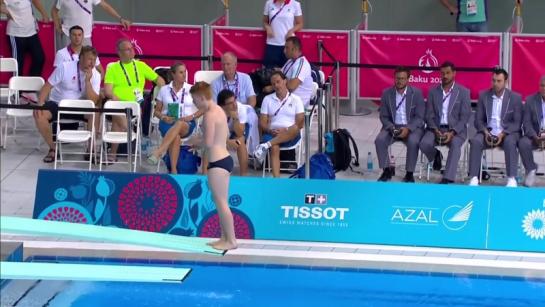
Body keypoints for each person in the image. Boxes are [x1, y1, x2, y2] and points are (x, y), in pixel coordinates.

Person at [33, 46, 101, 163]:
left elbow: (93, 100)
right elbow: (47, 86)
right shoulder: (65, 67)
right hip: (58, 104)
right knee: (39, 114)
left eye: (94, 60)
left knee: (95, 112)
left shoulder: (95, 74)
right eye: (90, 59)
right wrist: (40, 103)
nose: (92, 63)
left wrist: (87, 82)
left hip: (81, 106)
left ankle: (91, 150)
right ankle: (53, 148)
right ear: (81, 58)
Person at [192, 82, 237, 251]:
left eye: (195, 100)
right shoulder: (219, 110)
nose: (195, 104)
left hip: (217, 162)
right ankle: (224, 237)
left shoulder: (210, 115)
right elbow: (222, 136)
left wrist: (195, 142)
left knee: (221, 203)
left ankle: (231, 240)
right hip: (224, 159)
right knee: (220, 201)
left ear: (202, 98)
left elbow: (209, 142)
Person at [103, 38, 165, 162]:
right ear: (119, 53)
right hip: (117, 103)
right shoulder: (113, 68)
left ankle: (113, 153)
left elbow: (160, 81)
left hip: (136, 105)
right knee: (117, 111)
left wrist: (160, 95)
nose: (132, 51)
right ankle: (132, 132)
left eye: (132, 48)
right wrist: (119, 101)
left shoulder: (141, 66)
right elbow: (108, 91)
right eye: (127, 49)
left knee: (117, 121)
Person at [468, 68, 523, 187]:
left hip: (507, 133)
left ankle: (511, 177)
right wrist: (485, 131)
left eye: (499, 81)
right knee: (476, 141)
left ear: (506, 81)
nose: (496, 84)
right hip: (488, 132)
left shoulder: (515, 98)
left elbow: (517, 123)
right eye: (493, 80)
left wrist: (503, 134)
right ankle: (473, 177)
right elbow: (478, 120)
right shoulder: (484, 95)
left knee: (510, 142)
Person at [419, 62, 471, 184]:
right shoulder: (433, 92)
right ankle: (436, 154)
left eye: (448, 73)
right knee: (423, 143)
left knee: (455, 146)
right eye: (442, 73)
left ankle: (447, 178)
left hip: (455, 130)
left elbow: (465, 117)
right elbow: (429, 115)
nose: (445, 76)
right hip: (436, 128)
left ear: (454, 74)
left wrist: (452, 132)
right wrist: (435, 130)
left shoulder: (463, 92)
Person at [146, 63, 202, 174]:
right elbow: (156, 111)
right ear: (173, 74)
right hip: (167, 122)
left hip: (187, 123)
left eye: (185, 72)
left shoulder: (191, 89)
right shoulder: (164, 90)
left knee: (180, 123)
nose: (184, 75)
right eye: (181, 72)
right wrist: (163, 116)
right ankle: (174, 170)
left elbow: (204, 108)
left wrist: (192, 116)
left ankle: (159, 151)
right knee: (175, 137)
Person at [375, 66, 425, 183]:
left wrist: (408, 128)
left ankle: (409, 173)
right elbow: (383, 116)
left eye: (403, 78)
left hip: (411, 127)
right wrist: (391, 127)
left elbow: (419, 117)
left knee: (413, 141)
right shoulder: (387, 93)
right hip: (392, 126)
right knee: (380, 140)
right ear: (394, 78)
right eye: (397, 78)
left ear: (408, 79)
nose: (400, 81)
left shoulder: (416, 94)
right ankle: (386, 170)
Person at [253, 71, 304, 177]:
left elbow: (300, 123)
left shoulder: (296, 99)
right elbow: (262, 122)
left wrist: (285, 130)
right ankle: (277, 180)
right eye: (273, 84)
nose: (276, 85)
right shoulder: (267, 99)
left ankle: (266, 145)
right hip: (272, 133)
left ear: (285, 81)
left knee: (295, 128)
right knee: (274, 147)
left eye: (278, 82)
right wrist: (269, 130)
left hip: (290, 133)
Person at [51, 0, 131, 49]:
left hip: (85, 35)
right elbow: (54, 11)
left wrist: (120, 19)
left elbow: (105, 6)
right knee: (67, 63)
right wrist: (58, 27)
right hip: (68, 35)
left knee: (86, 63)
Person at [1, 0, 48, 77]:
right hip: (16, 34)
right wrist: (7, 12)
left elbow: (35, 1)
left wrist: (44, 14)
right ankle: (17, 88)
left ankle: (32, 85)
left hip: (31, 32)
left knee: (39, 58)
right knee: (17, 64)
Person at [518, 76, 545, 187]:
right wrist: (535, 136)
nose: (544, 88)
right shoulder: (530, 100)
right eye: (542, 86)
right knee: (523, 142)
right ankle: (531, 170)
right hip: (535, 135)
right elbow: (526, 123)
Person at [216, 89, 250, 176]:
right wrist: (227, 142)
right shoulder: (216, 113)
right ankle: (207, 174)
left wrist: (235, 118)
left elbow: (240, 133)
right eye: (230, 103)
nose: (234, 104)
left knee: (240, 142)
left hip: (236, 132)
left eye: (234, 100)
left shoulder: (240, 108)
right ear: (222, 106)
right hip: (219, 136)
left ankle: (244, 175)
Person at [262, 0, 303, 69]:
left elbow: (300, 23)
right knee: (270, 71)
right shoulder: (269, 3)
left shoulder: (295, 4)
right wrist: (267, 27)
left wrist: (291, 31)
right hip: (272, 43)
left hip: (289, 44)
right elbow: (264, 22)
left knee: (289, 70)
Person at [439, 0, 520, 32]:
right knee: (463, 52)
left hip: (481, 22)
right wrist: (450, 7)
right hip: (462, 23)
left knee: (483, 51)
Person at [282, 36, 313, 108]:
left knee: (266, 102)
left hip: (296, 104)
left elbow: (291, 86)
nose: (284, 51)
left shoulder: (301, 64)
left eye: (287, 48)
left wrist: (273, 87)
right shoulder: (290, 61)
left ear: (295, 49)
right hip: (286, 99)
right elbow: (280, 75)